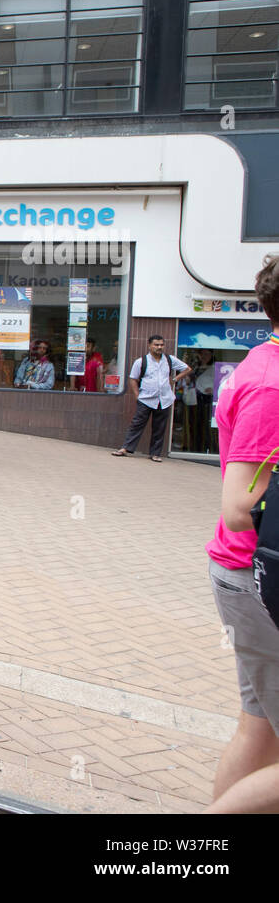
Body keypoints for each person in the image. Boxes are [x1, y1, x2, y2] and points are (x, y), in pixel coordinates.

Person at [203, 254, 279, 813]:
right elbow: (237, 506)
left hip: (248, 576)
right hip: (259, 581)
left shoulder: (261, 363)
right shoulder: (273, 383)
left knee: (259, 731)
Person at [111, 334, 190, 461]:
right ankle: (125, 448)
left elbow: (187, 369)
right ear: (149, 345)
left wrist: (174, 379)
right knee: (137, 424)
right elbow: (133, 379)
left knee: (159, 427)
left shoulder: (169, 359)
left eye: (161, 345)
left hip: (164, 400)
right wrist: (137, 396)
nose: (159, 347)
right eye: (156, 345)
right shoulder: (141, 361)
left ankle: (155, 454)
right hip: (146, 399)